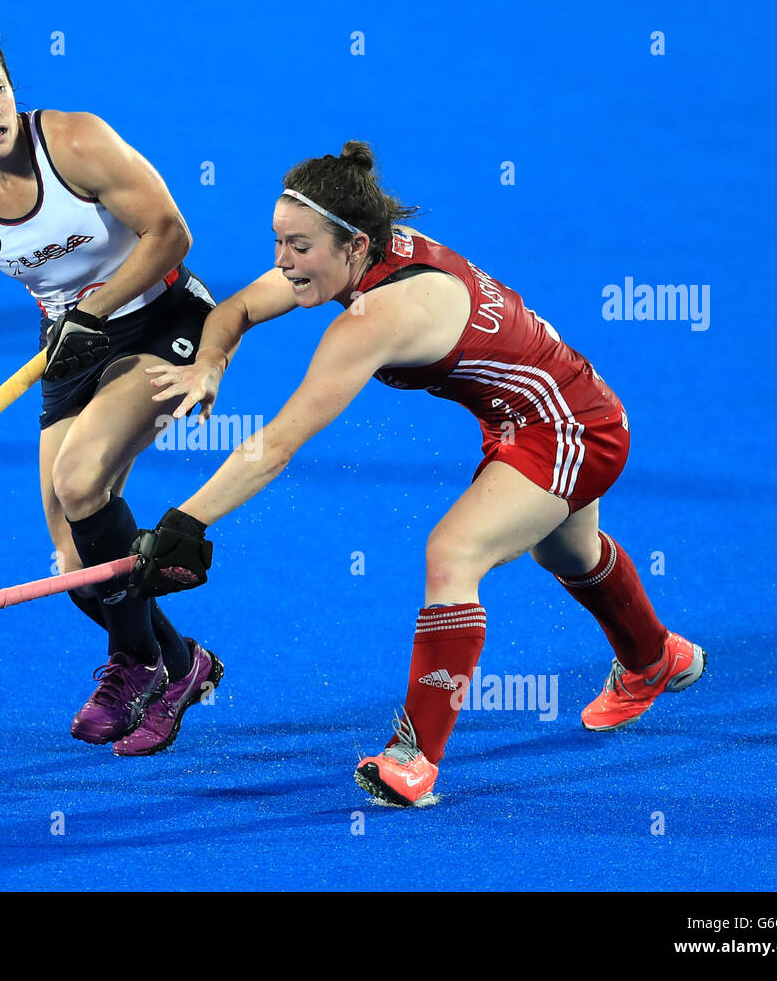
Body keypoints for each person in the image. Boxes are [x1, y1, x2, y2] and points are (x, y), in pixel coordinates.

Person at [131, 141, 705, 806]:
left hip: (569, 428)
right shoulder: (357, 250)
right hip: (539, 410)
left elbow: (279, 444)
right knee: (566, 551)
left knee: (452, 555)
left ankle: (414, 758)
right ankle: (655, 658)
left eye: (298, 246)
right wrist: (209, 364)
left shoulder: (377, 318)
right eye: (278, 241)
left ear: (354, 245)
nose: (282, 261)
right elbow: (235, 311)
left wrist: (187, 520)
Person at [0, 22, 222, 755]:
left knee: (80, 481)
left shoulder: (76, 142)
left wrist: (93, 308)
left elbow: (169, 233)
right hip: (70, 352)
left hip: (164, 319)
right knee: (77, 569)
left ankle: (136, 662)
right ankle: (179, 663)